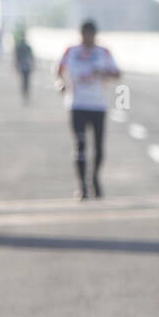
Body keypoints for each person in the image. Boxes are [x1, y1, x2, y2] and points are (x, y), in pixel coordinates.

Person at [55, 20, 120, 199]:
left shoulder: (103, 52)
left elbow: (117, 73)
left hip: (98, 105)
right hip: (77, 104)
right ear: (81, 34)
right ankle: (82, 186)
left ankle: (95, 179)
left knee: (99, 148)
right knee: (80, 145)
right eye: (86, 34)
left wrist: (102, 73)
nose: (88, 38)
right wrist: (60, 83)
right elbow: (58, 69)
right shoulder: (71, 51)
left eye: (91, 34)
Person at [14, 35, 36, 101]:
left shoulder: (18, 47)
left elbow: (16, 58)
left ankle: (24, 92)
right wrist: (33, 65)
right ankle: (26, 92)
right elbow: (31, 57)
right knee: (26, 80)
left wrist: (16, 66)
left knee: (23, 80)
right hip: (27, 66)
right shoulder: (28, 46)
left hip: (22, 66)